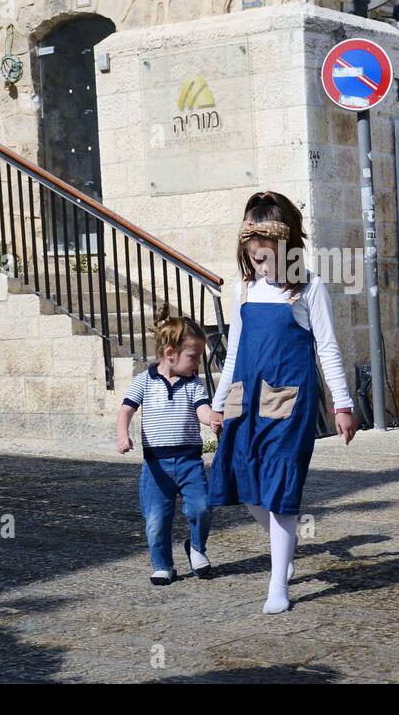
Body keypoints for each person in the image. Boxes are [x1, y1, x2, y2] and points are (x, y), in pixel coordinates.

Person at [210, 192, 357, 614]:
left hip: (289, 398)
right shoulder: (245, 289)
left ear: (289, 248)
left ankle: (278, 583)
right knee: (242, 479)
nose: (262, 265)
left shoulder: (309, 289)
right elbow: (234, 350)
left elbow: (327, 349)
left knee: (279, 487)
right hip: (243, 395)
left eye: (268, 257)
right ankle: (284, 550)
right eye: (255, 258)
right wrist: (220, 402)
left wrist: (342, 405)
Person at [116, 305, 216, 585]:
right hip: (155, 466)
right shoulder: (143, 382)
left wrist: (212, 420)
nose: (197, 363)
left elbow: (202, 410)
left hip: (189, 461)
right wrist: (122, 435)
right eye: (193, 357)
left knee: (201, 507)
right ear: (170, 353)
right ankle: (162, 565)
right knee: (156, 519)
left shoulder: (193, 384)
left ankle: (196, 547)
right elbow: (125, 410)